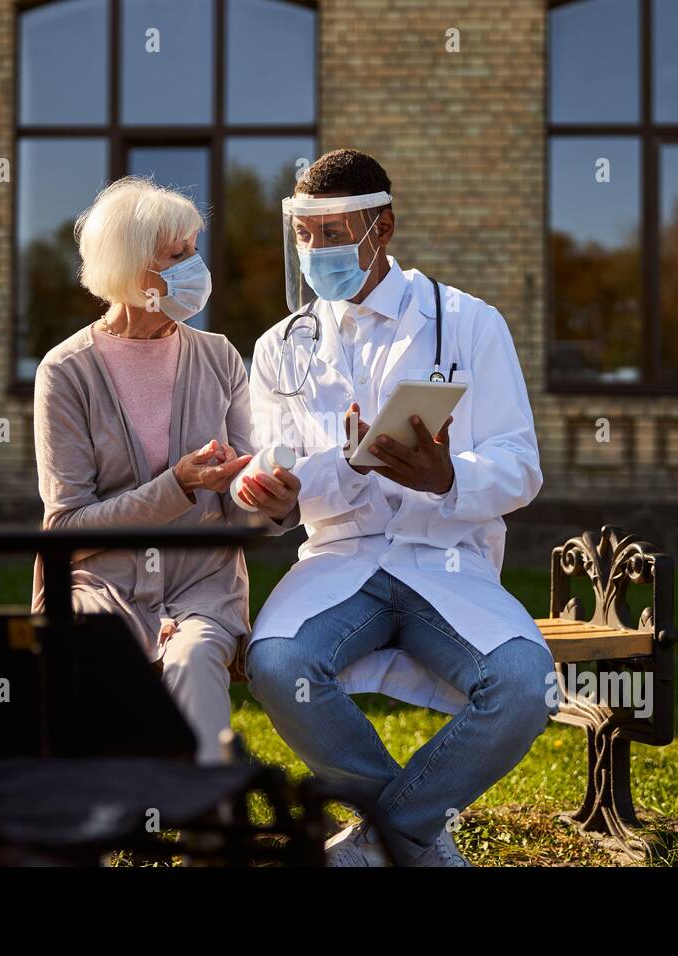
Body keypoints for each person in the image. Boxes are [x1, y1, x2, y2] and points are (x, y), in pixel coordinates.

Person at [245, 149, 557, 865]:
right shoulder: (278, 349)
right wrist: (283, 493)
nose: (318, 250)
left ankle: (386, 835)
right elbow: (278, 478)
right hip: (339, 560)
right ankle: (411, 835)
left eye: (335, 232)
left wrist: (447, 479)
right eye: (305, 235)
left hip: (446, 561)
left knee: (523, 685)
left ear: (381, 229)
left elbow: (520, 466)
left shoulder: (470, 325)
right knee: (277, 662)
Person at [32, 176, 300, 765]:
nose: (193, 267)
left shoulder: (220, 357)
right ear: (131, 269)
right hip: (101, 586)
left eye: (193, 250)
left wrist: (271, 497)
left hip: (202, 585)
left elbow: (239, 500)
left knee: (197, 655)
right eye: (176, 255)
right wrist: (176, 486)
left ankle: (204, 827)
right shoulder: (66, 372)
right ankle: (97, 819)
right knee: (93, 649)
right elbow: (67, 532)